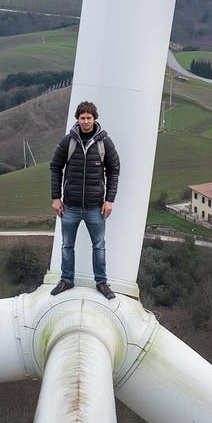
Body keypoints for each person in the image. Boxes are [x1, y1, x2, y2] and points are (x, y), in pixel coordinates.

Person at [50, 101, 120, 299]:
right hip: (69, 205)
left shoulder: (104, 142)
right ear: (77, 119)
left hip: (95, 207)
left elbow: (114, 170)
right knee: (67, 245)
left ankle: (102, 283)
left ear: (94, 119)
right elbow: (55, 167)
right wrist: (56, 197)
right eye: (82, 118)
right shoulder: (68, 141)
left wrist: (109, 200)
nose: (86, 121)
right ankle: (66, 280)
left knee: (99, 246)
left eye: (89, 118)